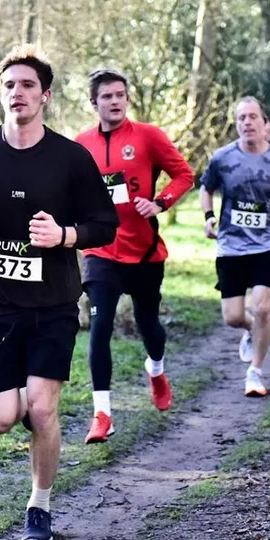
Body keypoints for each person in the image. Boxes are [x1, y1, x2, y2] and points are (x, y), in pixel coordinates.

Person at [0, 45, 119, 540]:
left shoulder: (71, 158)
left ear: (44, 96)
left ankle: (38, 508)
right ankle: (33, 413)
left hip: (53, 304)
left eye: (27, 85)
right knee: (3, 419)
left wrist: (64, 235)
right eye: (9, 85)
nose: (16, 93)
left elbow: (104, 226)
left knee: (43, 409)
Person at [74, 68, 195, 443]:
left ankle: (156, 369)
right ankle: (102, 414)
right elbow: (67, 191)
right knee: (100, 327)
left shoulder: (148, 136)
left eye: (120, 95)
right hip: (101, 252)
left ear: (127, 99)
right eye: (107, 96)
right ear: (94, 103)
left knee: (149, 327)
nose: (115, 101)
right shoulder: (80, 145)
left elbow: (184, 175)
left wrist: (159, 203)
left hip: (144, 253)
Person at [199, 97, 270, 397]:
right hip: (231, 244)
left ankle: (255, 371)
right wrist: (208, 218)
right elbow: (206, 189)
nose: (246, 122)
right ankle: (249, 330)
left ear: (264, 124)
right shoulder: (222, 158)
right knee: (232, 316)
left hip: (268, 243)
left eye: (252, 117)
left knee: (263, 307)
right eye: (241, 117)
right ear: (237, 124)